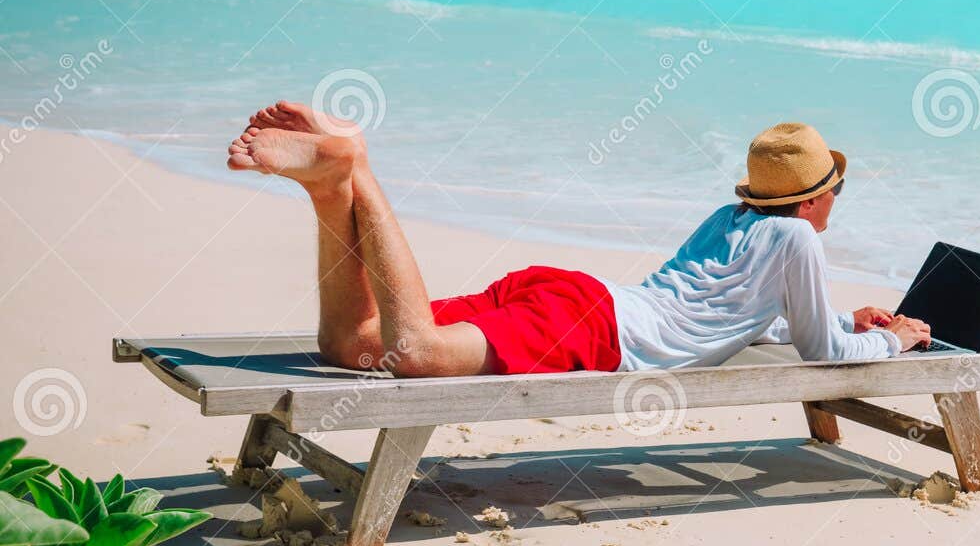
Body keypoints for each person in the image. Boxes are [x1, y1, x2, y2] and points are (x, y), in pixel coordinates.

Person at [227, 105, 931, 377]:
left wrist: (848, 317)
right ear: (813, 199)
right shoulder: (799, 243)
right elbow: (826, 356)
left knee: (355, 345)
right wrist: (892, 340)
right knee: (410, 353)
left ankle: (330, 190)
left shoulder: (731, 219)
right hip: (593, 332)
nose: (838, 199)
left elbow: (752, 320)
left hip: (575, 295)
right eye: (837, 188)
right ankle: (359, 170)